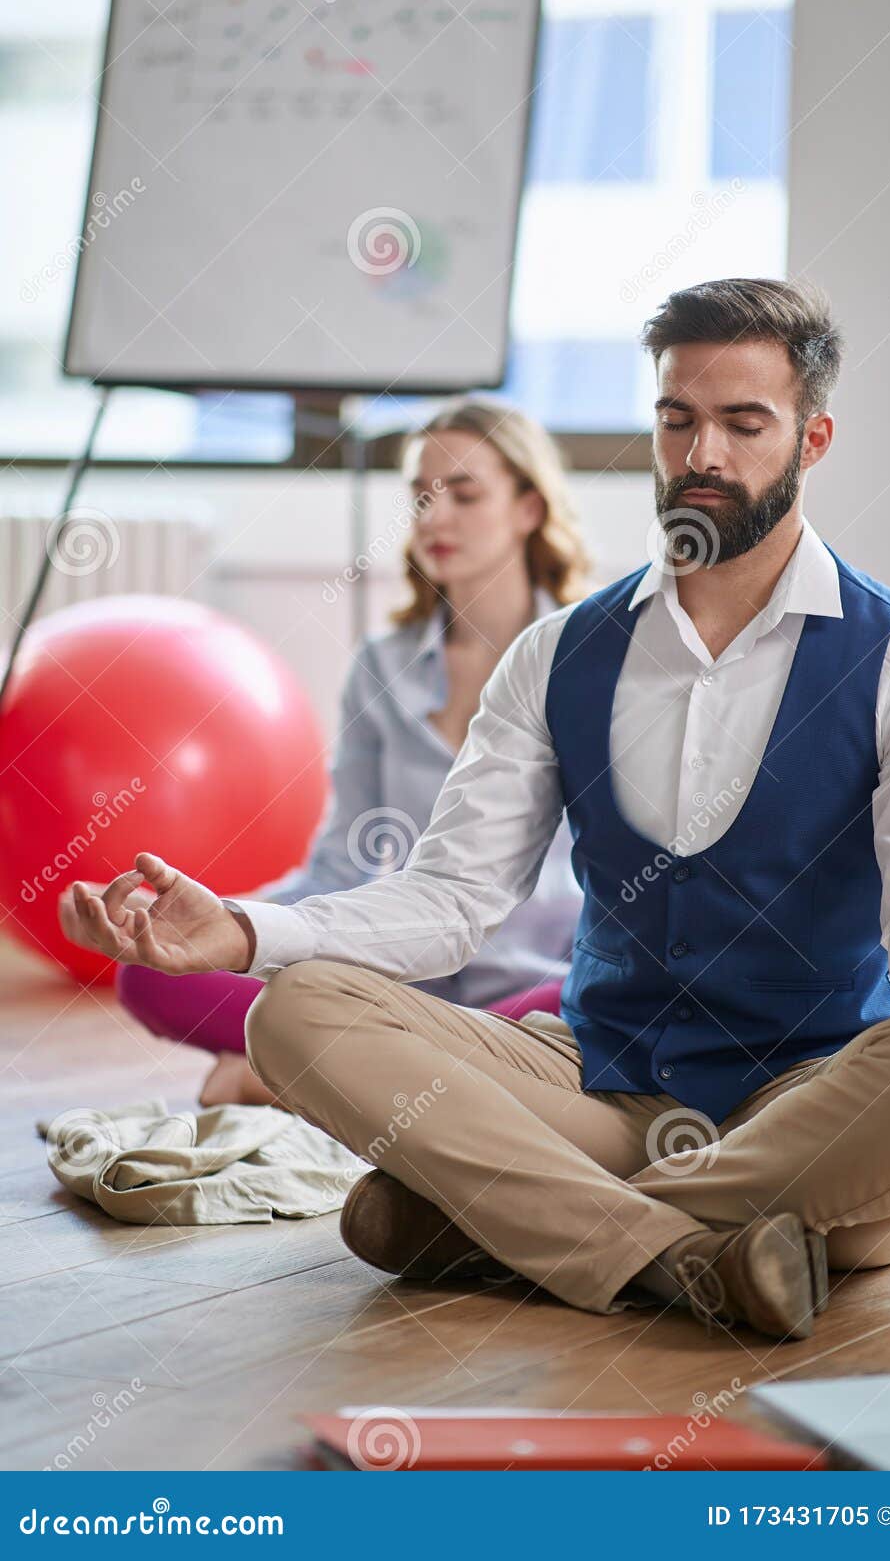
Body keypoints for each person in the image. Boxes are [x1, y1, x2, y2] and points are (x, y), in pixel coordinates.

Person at [64, 278, 890, 1345]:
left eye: (741, 423)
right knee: (294, 1013)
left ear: (810, 438)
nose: (701, 455)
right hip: (603, 1089)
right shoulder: (559, 653)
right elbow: (450, 901)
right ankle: (685, 1254)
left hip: (812, 1096)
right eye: (678, 420)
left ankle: (500, 1225)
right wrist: (245, 931)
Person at [61, 395, 588, 1107]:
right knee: (151, 973)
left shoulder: (585, 659)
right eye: (422, 496)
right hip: (400, 976)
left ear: (528, 507)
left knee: (596, 997)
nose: (435, 517)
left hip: (534, 980)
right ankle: (410, 1076)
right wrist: (212, 918)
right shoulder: (383, 665)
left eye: (463, 494)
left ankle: (323, 1070)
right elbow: (340, 864)